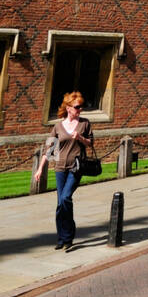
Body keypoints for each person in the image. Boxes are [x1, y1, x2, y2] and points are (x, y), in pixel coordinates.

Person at [34, 91, 94, 250]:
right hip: (60, 167)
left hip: (76, 167)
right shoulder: (57, 126)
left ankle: (68, 235)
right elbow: (49, 149)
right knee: (60, 203)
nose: (80, 109)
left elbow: (90, 143)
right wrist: (40, 169)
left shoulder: (84, 123)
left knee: (66, 197)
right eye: (77, 107)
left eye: (81, 107)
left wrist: (80, 138)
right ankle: (62, 238)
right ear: (68, 108)